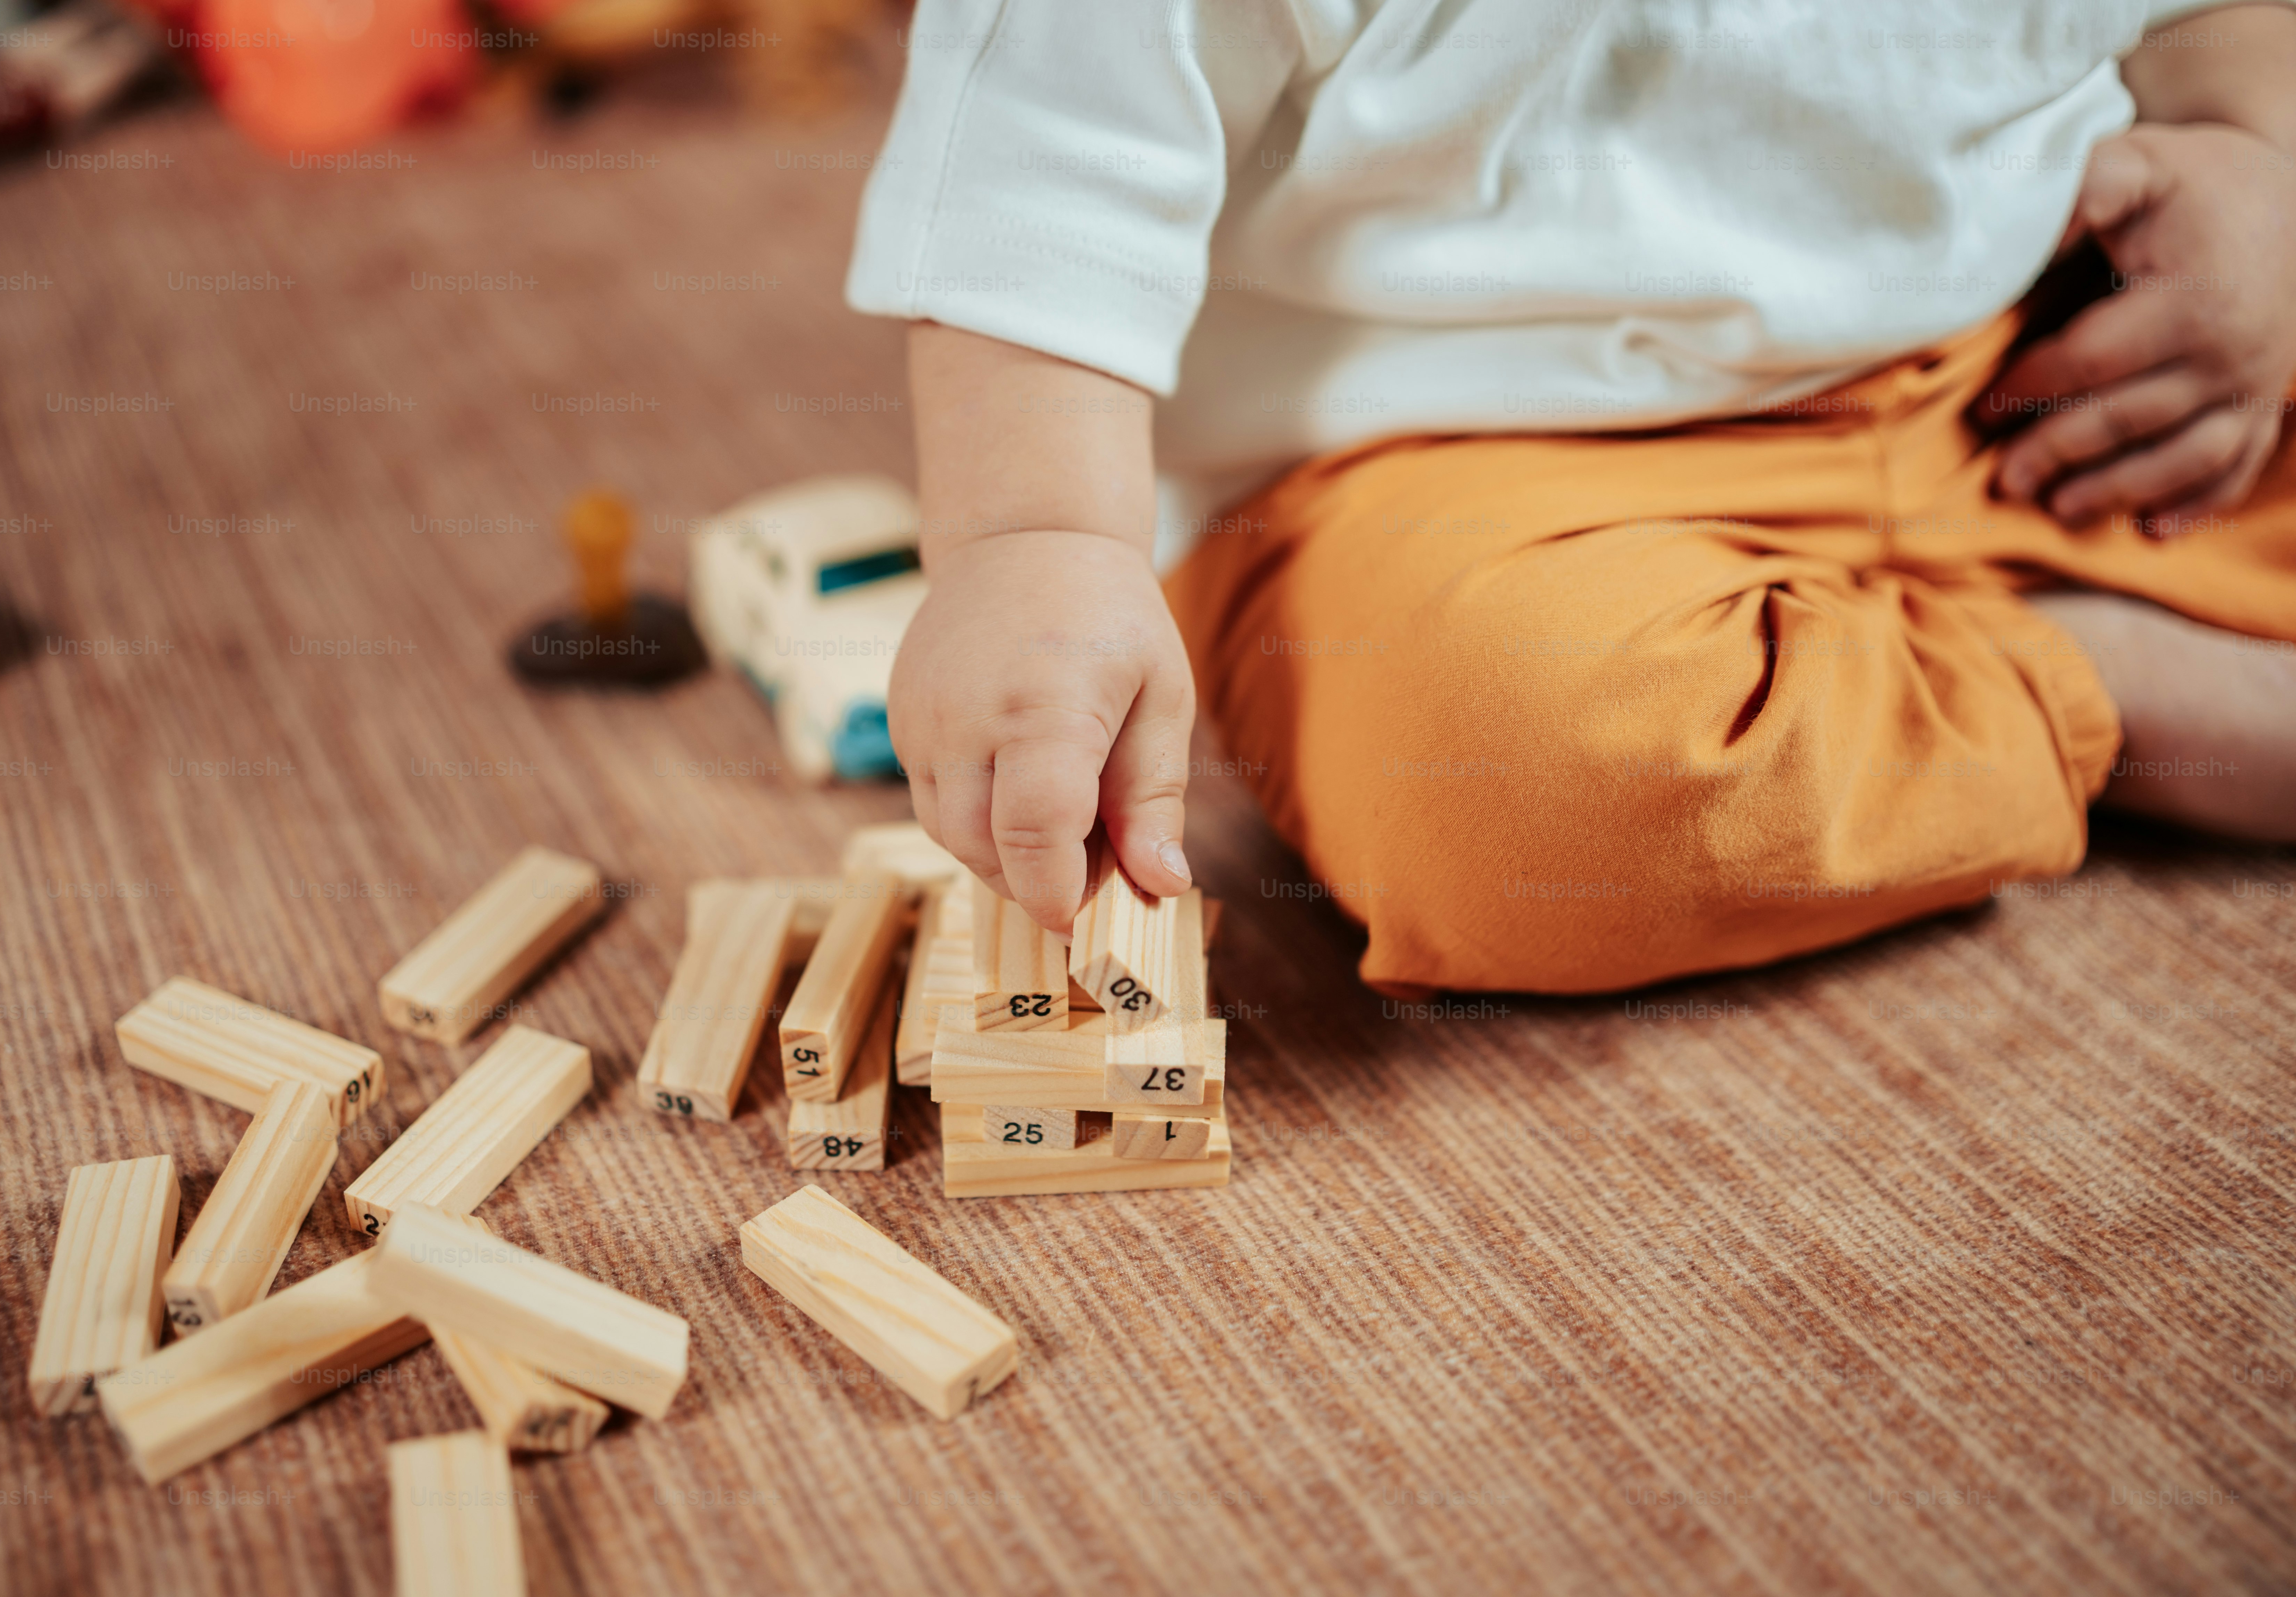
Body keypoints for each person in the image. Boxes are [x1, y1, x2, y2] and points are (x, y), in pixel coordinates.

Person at [848, 1, 2296, 993]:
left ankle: (1875, 690)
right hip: (1448, 468)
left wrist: (2258, 155)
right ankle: (2088, 679)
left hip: (2053, 373)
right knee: (1487, 780)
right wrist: (1034, 540)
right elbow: (1053, 161)